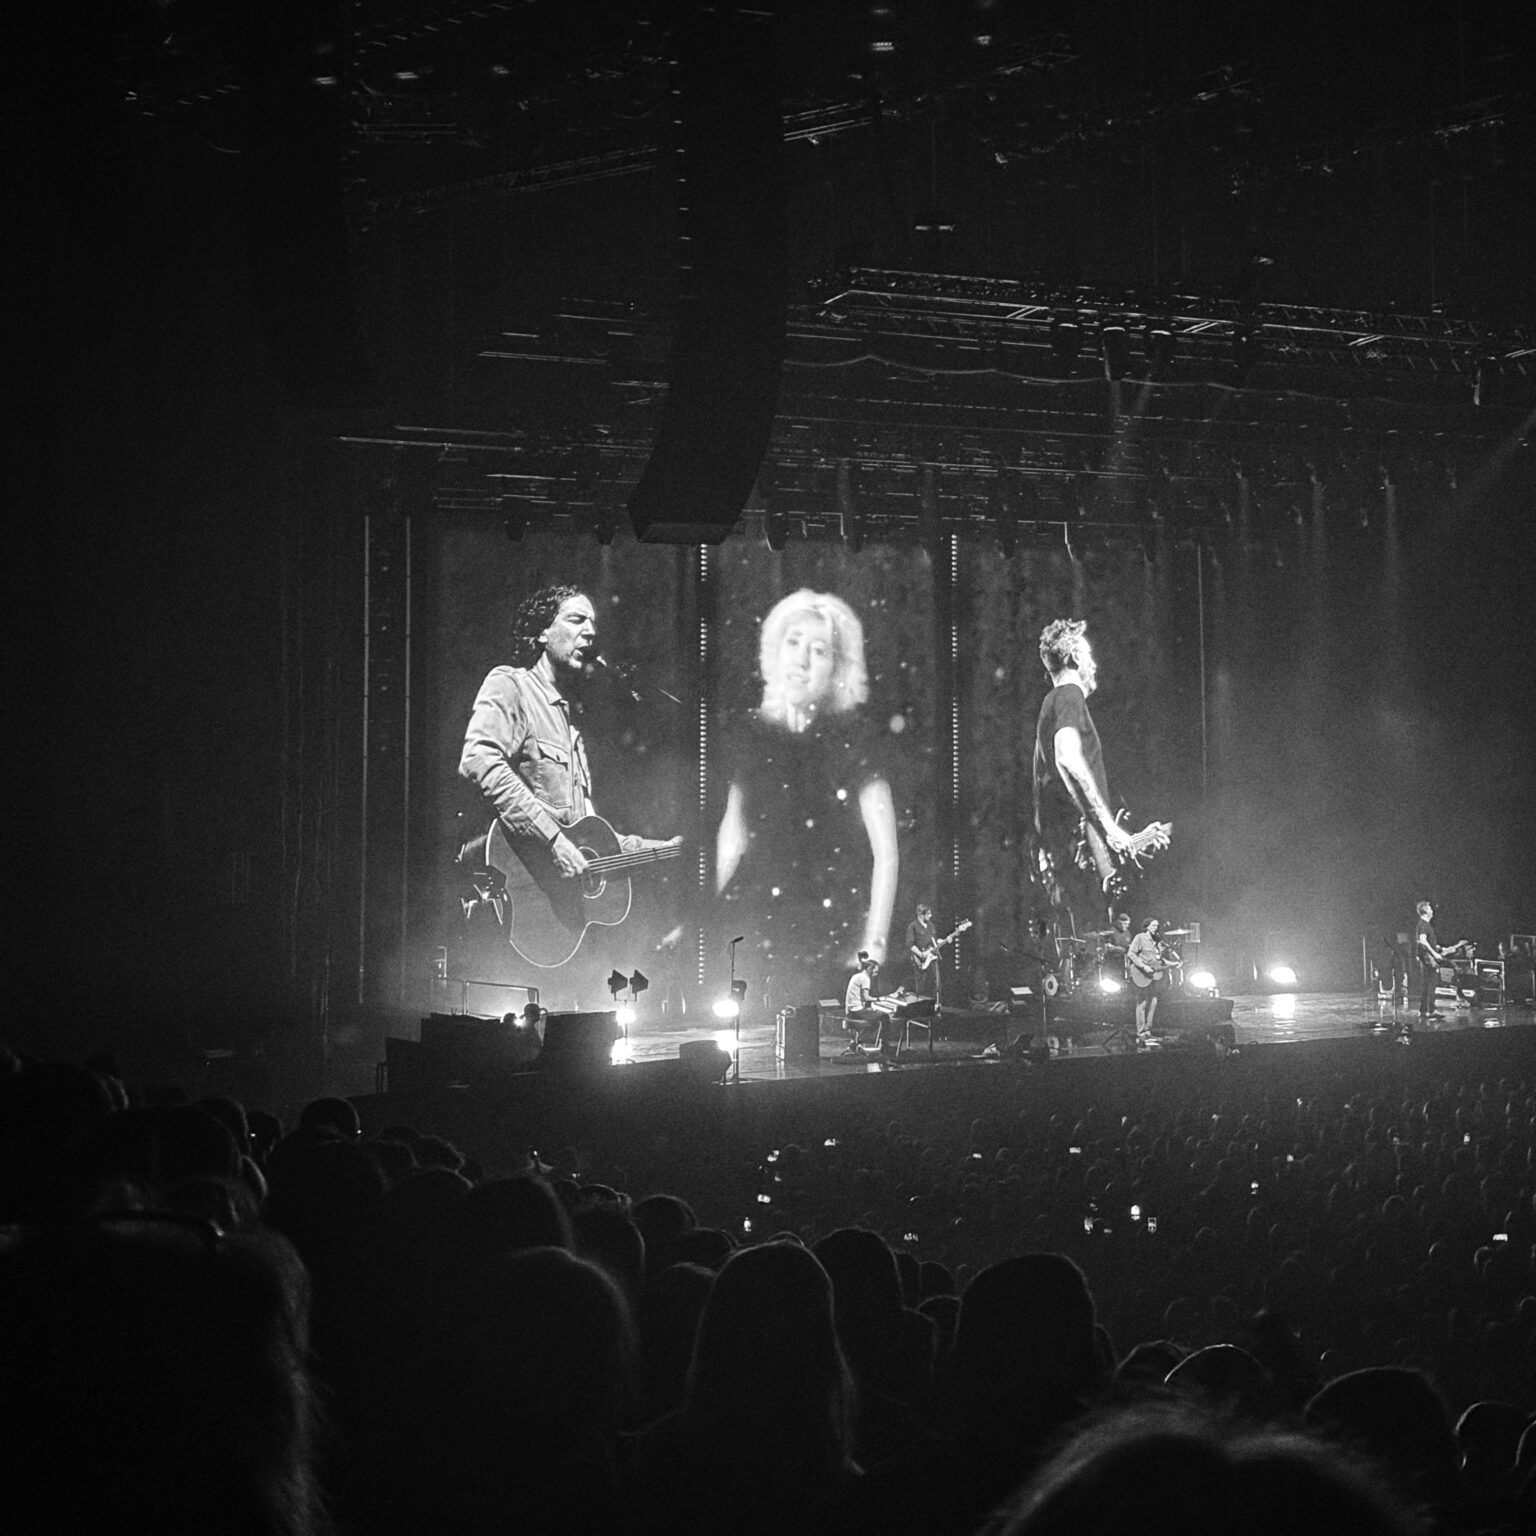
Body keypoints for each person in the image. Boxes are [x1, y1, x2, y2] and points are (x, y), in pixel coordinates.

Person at [458, 585, 681, 989]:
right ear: (541, 632)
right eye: (576, 619)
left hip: (560, 932)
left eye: (593, 623)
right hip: (509, 896)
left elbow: (591, 834)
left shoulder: (571, 719)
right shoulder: (511, 685)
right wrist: (553, 843)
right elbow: (479, 759)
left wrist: (668, 849)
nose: (590, 632)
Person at [715, 589, 898, 994]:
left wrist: (874, 946)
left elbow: (886, 852)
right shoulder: (751, 733)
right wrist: (707, 919)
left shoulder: (856, 740)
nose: (801, 659)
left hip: (832, 934)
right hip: (758, 923)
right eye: (793, 643)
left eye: (818, 650)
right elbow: (733, 835)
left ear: (837, 667)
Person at [1032, 618, 1168, 922]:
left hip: (1071, 861)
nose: (1093, 664)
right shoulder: (1068, 695)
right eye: (1089, 655)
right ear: (1076, 657)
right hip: (1076, 865)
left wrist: (1131, 839)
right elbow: (1067, 758)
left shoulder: (1052, 704)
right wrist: (1111, 830)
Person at [1126, 916, 1169, 1045]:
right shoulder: (1140, 937)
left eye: (1157, 926)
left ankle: (1148, 1031)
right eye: (1154, 925)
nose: (1156, 928)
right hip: (1141, 974)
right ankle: (1141, 1033)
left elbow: (1159, 959)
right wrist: (1143, 966)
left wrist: (1174, 963)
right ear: (1147, 927)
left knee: (1154, 1001)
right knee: (1142, 1002)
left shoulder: (1157, 941)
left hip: (1152, 976)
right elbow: (1131, 954)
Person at [842, 951, 888, 1055]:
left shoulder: (857, 976)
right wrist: (881, 999)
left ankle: (856, 1043)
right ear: (869, 969)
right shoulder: (865, 978)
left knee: (875, 1017)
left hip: (851, 1010)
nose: (876, 974)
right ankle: (885, 1047)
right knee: (885, 1017)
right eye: (875, 972)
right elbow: (866, 997)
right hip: (856, 1010)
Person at [1413, 901, 1445, 1022]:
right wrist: (1434, 953)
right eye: (1430, 908)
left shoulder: (1422, 925)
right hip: (1428, 959)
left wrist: (1440, 949)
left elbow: (1426, 942)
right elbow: (1423, 940)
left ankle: (1425, 1010)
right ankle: (1430, 1010)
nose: (1432, 910)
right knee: (1431, 984)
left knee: (1428, 984)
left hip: (1426, 958)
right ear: (1426, 911)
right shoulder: (1424, 925)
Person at [907, 901, 944, 1005]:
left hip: (932, 957)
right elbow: (910, 944)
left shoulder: (931, 926)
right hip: (920, 959)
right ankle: (920, 1007)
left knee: (936, 983)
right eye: (928, 914)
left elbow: (933, 941)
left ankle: (937, 1006)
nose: (930, 916)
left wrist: (941, 941)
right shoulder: (913, 926)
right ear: (920, 914)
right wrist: (921, 954)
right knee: (921, 984)